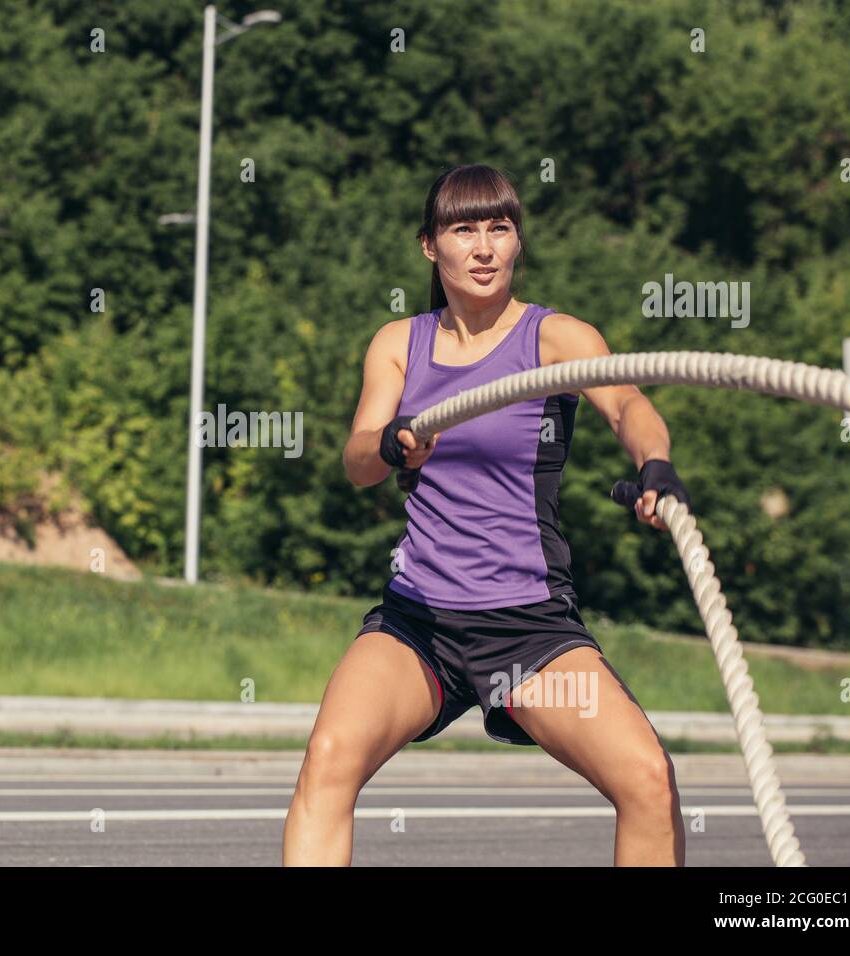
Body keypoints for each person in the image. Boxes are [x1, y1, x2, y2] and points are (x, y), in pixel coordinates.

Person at [282, 163, 693, 866]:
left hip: (527, 629)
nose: (483, 247)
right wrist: (390, 444)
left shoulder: (555, 339)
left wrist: (654, 464)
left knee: (649, 780)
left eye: (499, 228)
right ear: (428, 246)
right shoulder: (398, 344)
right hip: (421, 622)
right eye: (463, 228)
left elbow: (627, 405)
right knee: (328, 756)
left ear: (517, 241)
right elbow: (356, 462)